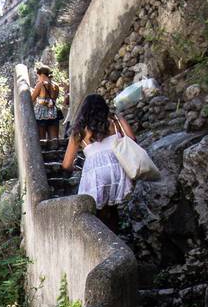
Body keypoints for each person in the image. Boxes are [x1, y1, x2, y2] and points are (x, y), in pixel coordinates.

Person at [62, 93, 135, 233]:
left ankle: (106, 242)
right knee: (112, 208)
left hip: (95, 173)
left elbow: (66, 165)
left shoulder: (78, 131)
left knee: (99, 212)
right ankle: (117, 237)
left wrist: (76, 167)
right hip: (117, 169)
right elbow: (132, 139)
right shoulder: (115, 121)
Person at [31, 63, 60, 147]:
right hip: (53, 114)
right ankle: (57, 155)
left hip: (40, 115)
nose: (38, 78)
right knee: (54, 139)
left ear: (41, 75)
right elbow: (53, 100)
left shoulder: (40, 85)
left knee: (42, 140)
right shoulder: (56, 86)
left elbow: (32, 99)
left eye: (38, 76)